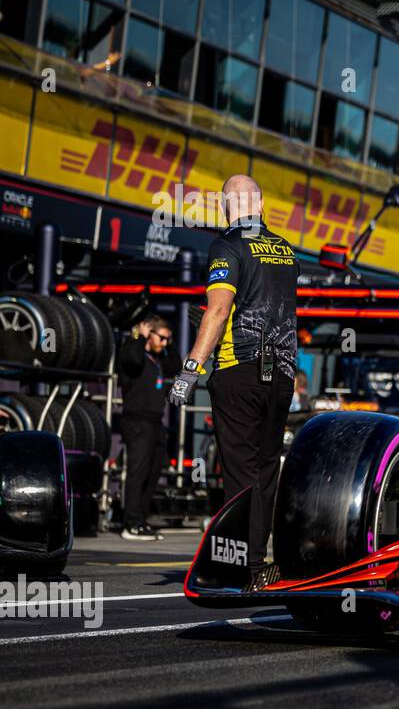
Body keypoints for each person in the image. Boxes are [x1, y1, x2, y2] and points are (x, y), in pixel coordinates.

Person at [169, 174, 297, 587]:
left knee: (240, 473)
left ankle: (243, 567)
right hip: (282, 373)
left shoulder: (227, 245)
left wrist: (190, 369)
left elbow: (219, 310)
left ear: (227, 207)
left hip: (239, 369)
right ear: (261, 206)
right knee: (264, 471)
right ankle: (260, 563)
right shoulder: (285, 249)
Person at [118, 313, 180, 540]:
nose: (164, 343)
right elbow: (132, 361)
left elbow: (176, 367)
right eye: (162, 338)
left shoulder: (160, 358)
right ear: (148, 333)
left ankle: (141, 521)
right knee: (138, 473)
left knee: (153, 473)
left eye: (168, 340)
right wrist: (137, 337)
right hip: (136, 420)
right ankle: (130, 524)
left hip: (155, 421)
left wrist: (169, 345)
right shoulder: (131, 350)